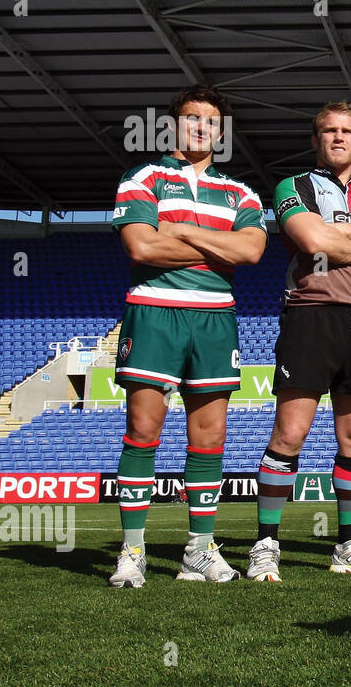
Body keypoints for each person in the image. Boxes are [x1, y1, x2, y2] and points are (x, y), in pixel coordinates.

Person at [245, 102, 351, 582]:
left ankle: (349, 545)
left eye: (347, 132)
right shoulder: (292, 187)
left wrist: (331, 234)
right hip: (310, 316)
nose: (338, 138)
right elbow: (311, 242)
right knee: (290, 434)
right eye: (329, 131)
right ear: (316, 139)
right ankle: (266, 544)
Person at [108, 83, 266, 587]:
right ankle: (132, 551)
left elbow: (252, 254)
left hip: (216, 317)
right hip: (155, 312)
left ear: (221, 132)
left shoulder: (241, 192)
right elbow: (141, 248)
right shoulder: (144, 176)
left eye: (212, 122)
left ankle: (198, 551)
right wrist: (218, 249)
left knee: (210, 437)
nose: (203, 128)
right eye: (193, 118)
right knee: (144, 429)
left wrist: (178, 233)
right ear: (174, 125)